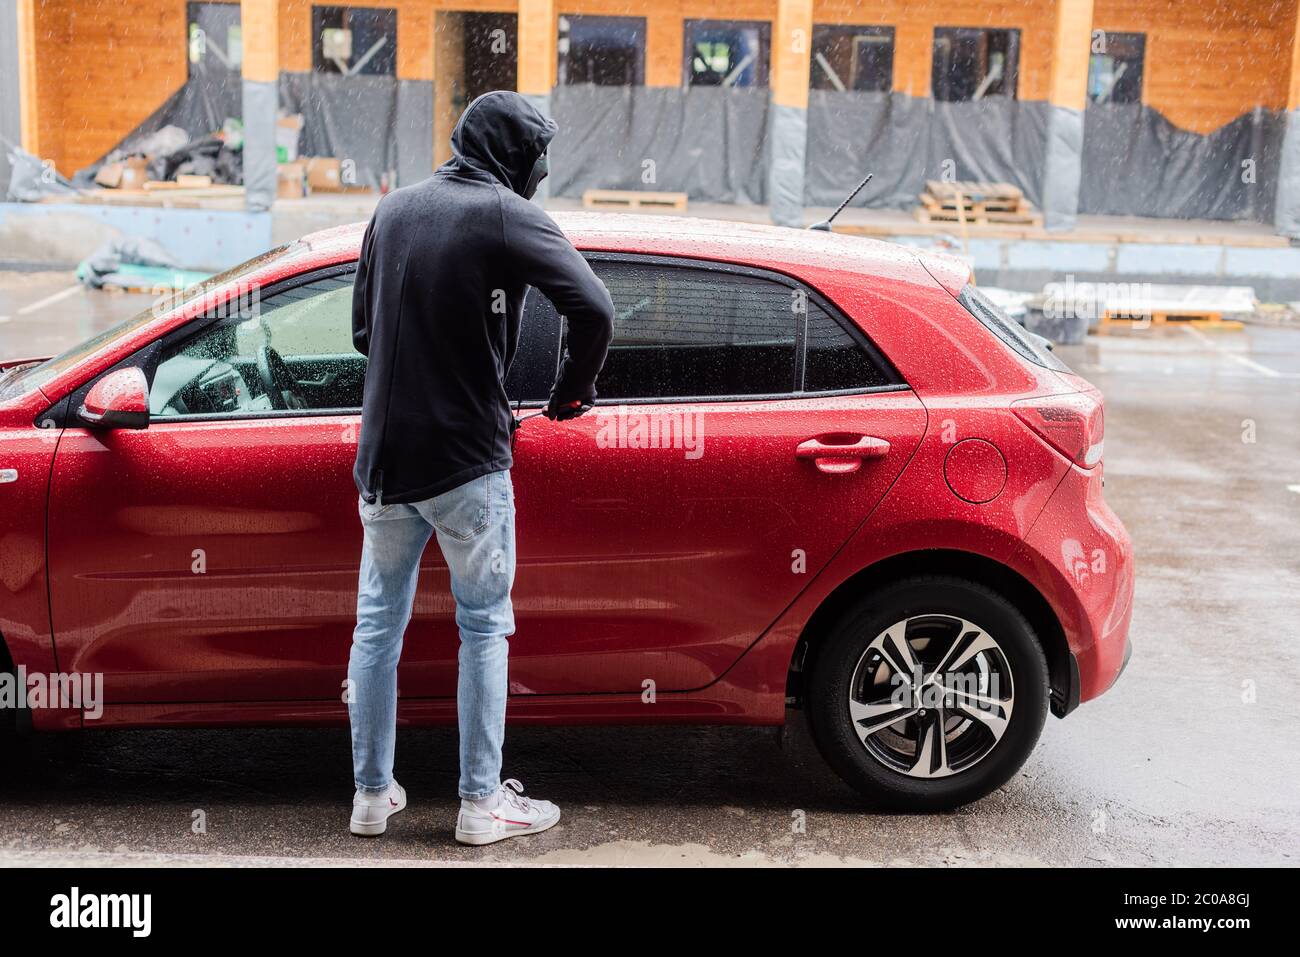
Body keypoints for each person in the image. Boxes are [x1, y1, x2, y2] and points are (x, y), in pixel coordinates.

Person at [345, 91, 613, 846]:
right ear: (514, 157)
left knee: (376, 629)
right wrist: (572, 387)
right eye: (538, 163)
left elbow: (365, 330)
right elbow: (594, 307)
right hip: (467, 462)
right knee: (484, 627)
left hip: (385, 462)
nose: (539, 178)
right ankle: (478, 803)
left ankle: (371, 796)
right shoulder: (504, 211)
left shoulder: (393, 209)